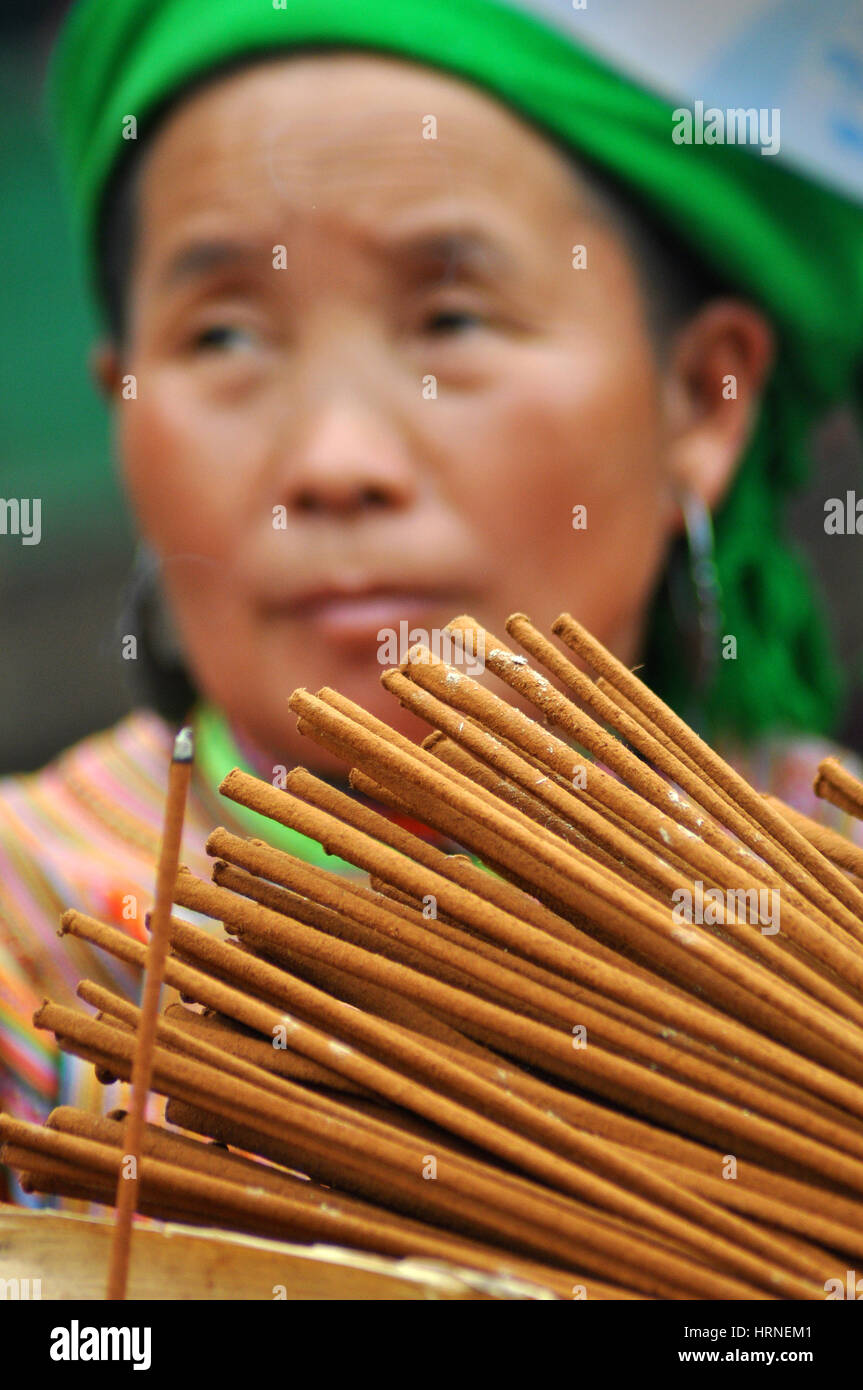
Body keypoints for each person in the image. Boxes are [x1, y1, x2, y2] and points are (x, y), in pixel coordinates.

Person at [2, 0, 862, 1197]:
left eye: (451, 320)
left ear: (702, 400)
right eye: (224, 338)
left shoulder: (830, 913)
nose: (334, 459)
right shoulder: (27, 925)